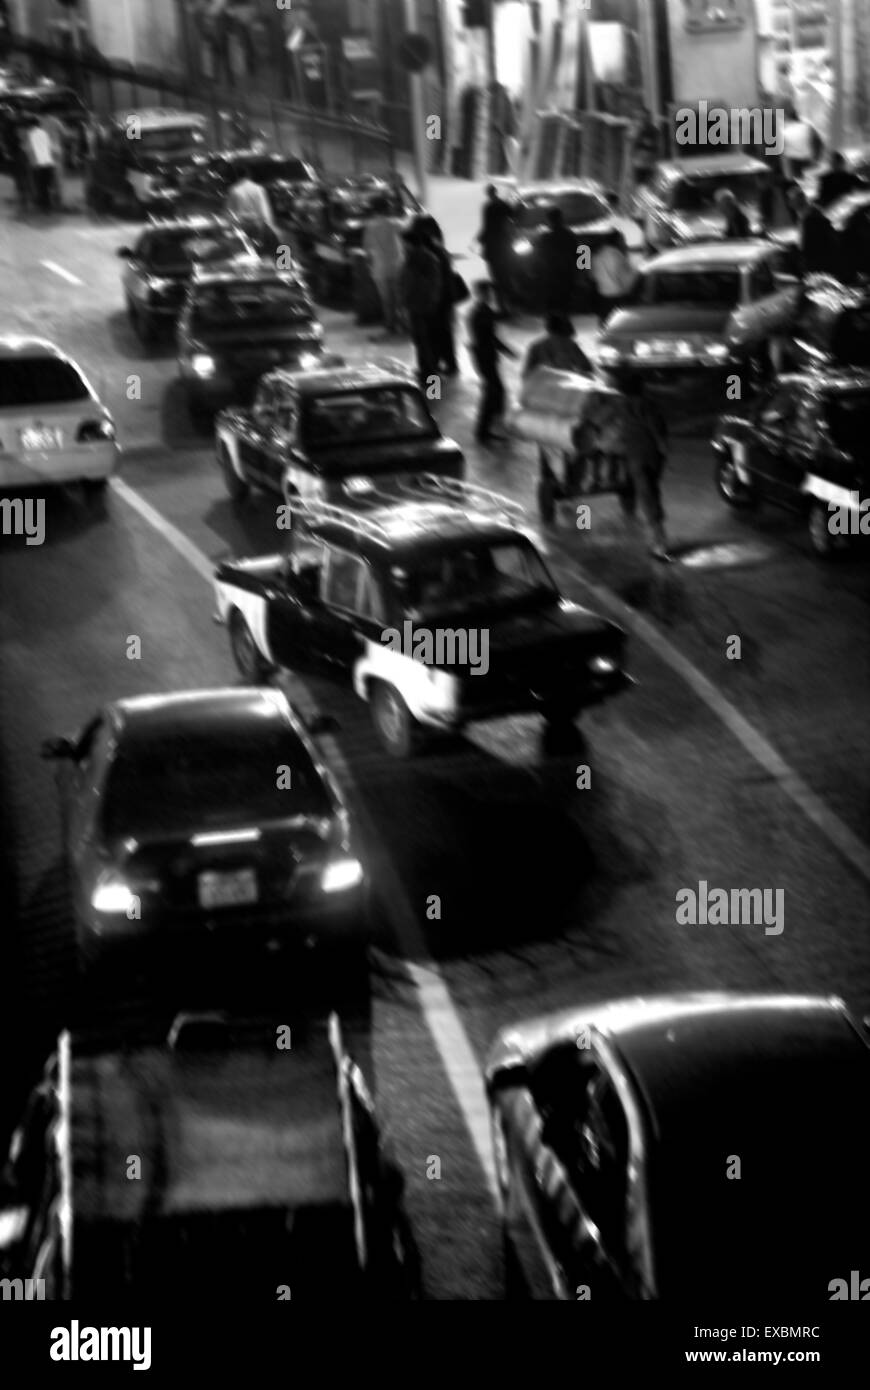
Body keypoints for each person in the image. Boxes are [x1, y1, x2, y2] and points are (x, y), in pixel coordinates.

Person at [613, 371, 671, 561]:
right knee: (652, 492)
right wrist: (664, 448)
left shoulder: (619, 406)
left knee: (647, 496)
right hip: (653, 455)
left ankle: (659, 543)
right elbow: (658, 428)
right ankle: (658, 539)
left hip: (636, 456)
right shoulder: (649, 405)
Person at [467, 279, 517, 444]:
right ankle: (484, 430)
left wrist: (506, 350)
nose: (490, 296)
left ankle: (494, 424)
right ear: (479, 294)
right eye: (487, 293)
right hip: (484, 357)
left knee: (497, 391)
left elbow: (491, 335)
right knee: (493, 392)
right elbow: (499, 322)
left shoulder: (480, 311)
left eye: (490, 293)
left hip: (484, 356)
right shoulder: (482, 312)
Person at [400, 223, 444, 388]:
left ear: (411, 243)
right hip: (415, 306)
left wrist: (427, 303)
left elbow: (433, 284)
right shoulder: (411, 258)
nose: (403, 245)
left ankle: (434, 388)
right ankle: (424, 372)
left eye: (404, 242)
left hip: (423, 307)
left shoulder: (426, 259)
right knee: (419, 342)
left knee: (427, 345)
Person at [417, 214, 458, 375]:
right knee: (444, 333)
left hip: (432, 302)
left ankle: (433, 381)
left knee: (430, 338)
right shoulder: (440, 252)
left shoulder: (427, 255)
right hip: (443, 300)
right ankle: (448, 364)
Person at [362, 193, 405, 337]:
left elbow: (367, 249)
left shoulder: (370, 226)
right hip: (398, 266)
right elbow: (407, 244)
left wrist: (369, 264)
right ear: (388, 208)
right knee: (400, 298)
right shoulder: (397, 224)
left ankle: (390, 325)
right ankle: (403, 324)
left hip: (379, 268)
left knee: (386, 300)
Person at [475, 183, 515, 310]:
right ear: (496, 192)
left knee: (496, 278)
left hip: (493, 248)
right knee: (506, 276)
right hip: (505, 245)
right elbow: (514, 220)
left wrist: (480, 239)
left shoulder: (488, 207)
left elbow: (487, 227)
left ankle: (502, 305)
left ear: (488, 193)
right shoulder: (505, 205)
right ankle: (509, 303)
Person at [537, 204, 580, 314]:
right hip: (567, 272)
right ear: (561, 219)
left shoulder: (545, 237)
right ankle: (563, 320)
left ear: (549, 220)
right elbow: (581, 252)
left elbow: (539, 256)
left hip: (551, 273)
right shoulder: (570, 235)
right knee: (565, 300)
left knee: (552, 300)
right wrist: (582, 271)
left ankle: (555, 324)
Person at [522, 314, 592, 377]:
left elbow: (526, 374)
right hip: (565, 384)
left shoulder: (536, 346)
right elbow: (586, 367)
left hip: (543, 385)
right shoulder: (570, 345)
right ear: (563, 327)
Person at [226, 173, 278, 254]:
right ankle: (280, 263)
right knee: (264, 244)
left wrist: (231, 225)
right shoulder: (258, 188)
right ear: (249, 177)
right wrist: (270, 223)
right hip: (258, 221)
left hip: (243, 223)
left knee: (248, 246)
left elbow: (230, 210)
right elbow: (264, 207)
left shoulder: (234, 189)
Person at [591, 230, 635, 324]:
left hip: (603, 294)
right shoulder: (617, 255)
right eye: (623, 240)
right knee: (620, 323)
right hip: (617, 295)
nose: (625, 243)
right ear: (617, 241)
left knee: (605, 323)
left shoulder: (597, 254)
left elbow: (592, 275)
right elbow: (626, 276)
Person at [24, 116, 58, 213]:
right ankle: (47, 205)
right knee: (47, 186)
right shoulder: (45, 133)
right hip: (49, 162)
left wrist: (31, 161)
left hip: (37, 164)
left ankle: (44, 206)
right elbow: (51, 147)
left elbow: (28, 149)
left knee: (40, 186)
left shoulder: (30, 134)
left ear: (30, 125)